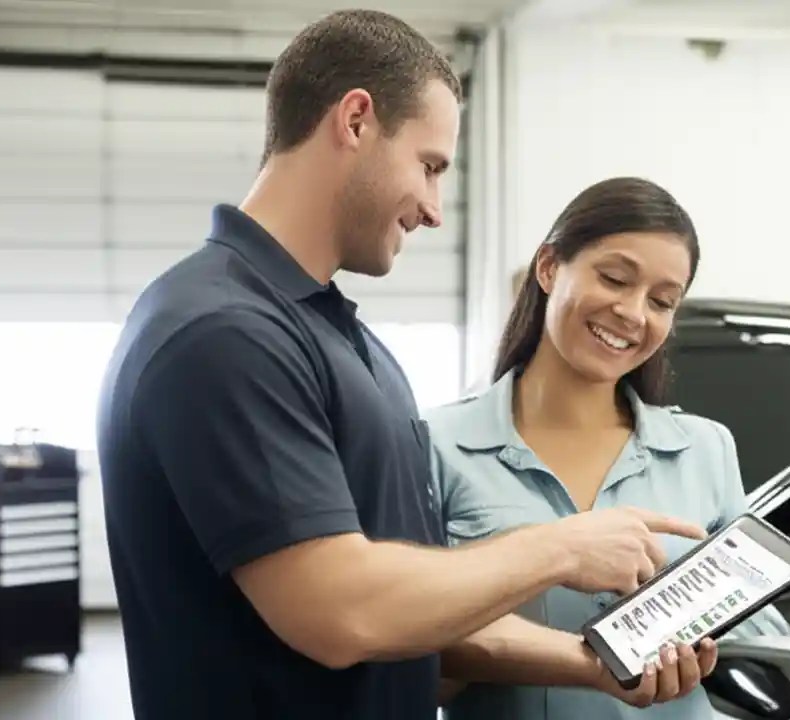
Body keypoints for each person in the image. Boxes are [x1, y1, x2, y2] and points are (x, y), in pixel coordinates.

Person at [96, 10, 718, 720]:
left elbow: (420, 611)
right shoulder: (224, 333)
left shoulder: (342, 343)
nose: (433, 210)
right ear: (356, 120)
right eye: (430, 166)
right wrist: (558, 549)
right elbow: (342, 612)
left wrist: (598, 665)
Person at [425, 177, 790, 719]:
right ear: (548, 268)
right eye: (615, 278)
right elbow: (406, 654)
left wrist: (678, 617)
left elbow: (763, 628)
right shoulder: (437, 446)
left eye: (663, 301)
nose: (634, 313)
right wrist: (541, 565)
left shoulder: (706, 449)